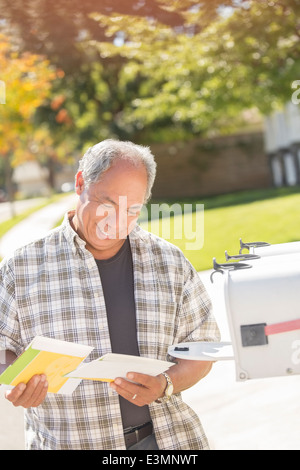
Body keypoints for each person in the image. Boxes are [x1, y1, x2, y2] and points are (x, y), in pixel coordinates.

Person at [0, 139, 220, 450]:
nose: (115, 222)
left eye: (132, 209)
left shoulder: (169, 262)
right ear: (80, 183)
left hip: (165, 443)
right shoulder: (20, 268)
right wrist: (14, 378)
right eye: (107, 203)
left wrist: (165, 384)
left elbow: (202, 348)